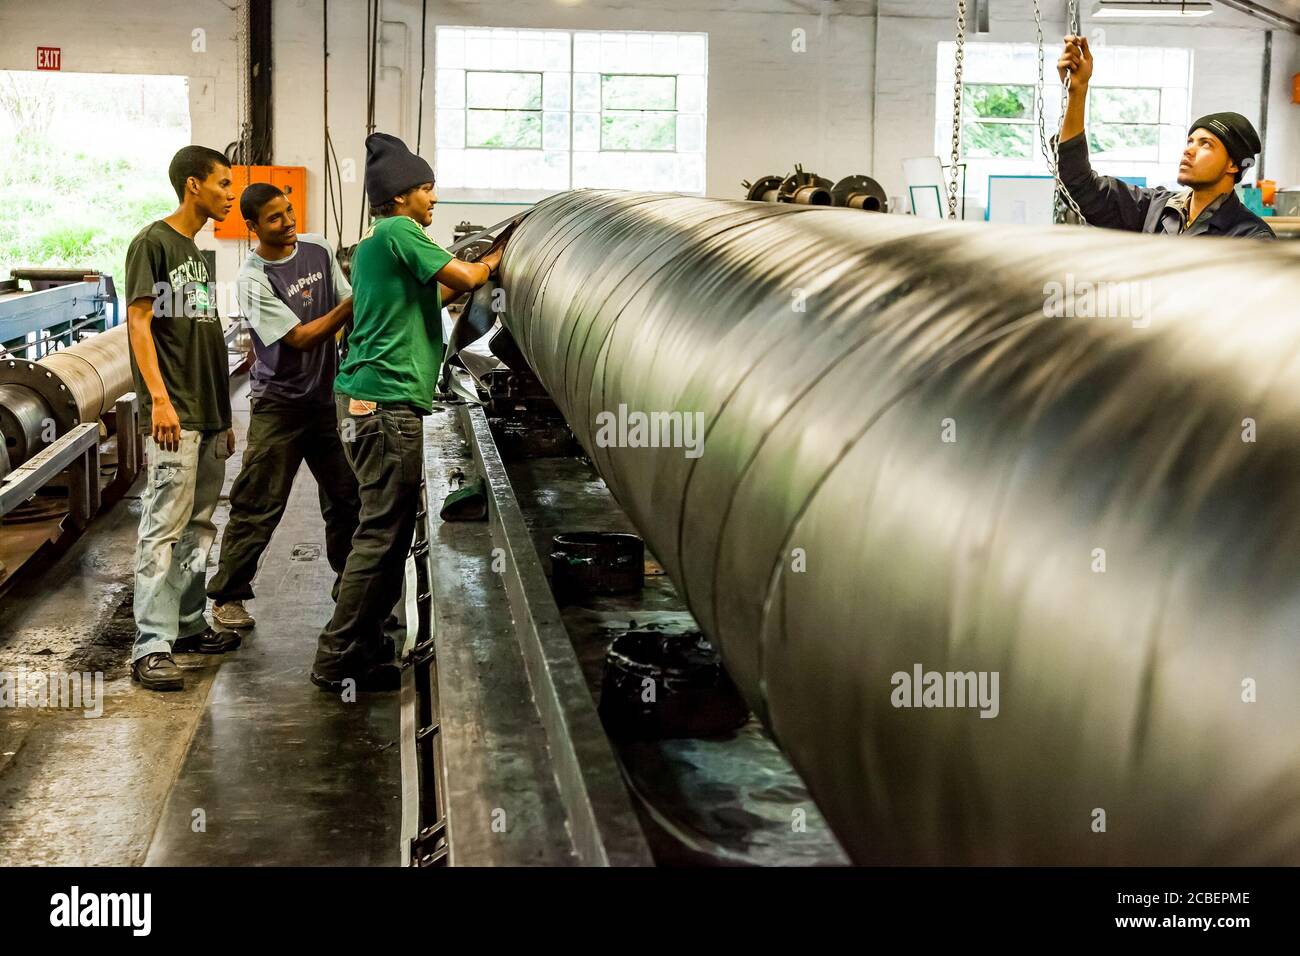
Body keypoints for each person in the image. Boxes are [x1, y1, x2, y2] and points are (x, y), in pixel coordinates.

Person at [310, 132, 502, 693]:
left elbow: (434, 297)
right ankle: (337, 655)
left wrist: (468, 272)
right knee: (380, 532)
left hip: (368, 401)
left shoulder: (374, 245)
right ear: (398, 197)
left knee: (387, 533)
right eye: (425, 188)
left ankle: (364, 650)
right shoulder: (400, 231)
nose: (434, 197)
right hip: (385, 404)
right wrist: (491, 259)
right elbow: (464, 281)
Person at [205, 183, 360, 630]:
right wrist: (354, 303)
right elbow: (300, 337)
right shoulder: (252, 279)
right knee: (258, 502)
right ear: (253, 227)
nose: (289, 223)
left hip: (328, 400)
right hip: (280, 405)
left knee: (347, 498)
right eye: (275, 218)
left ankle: (350, 591)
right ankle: (228, 596)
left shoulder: (317, 248)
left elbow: (344, 296)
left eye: (289, 212)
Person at [125, 145, 241, 692]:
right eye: (223, 184)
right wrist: (160, 400)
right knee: (163, 527)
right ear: (194, 185)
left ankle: (190, 623)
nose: (230, 194)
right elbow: (140, 324)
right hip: (176, 414)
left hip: (209, 411)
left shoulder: (197, 254)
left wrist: (223, 414)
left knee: (198, 525)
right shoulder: (154, 243)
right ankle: (150, 645)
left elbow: (203, 338)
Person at [1056, 34, 1275, 239]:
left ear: (1233, 165)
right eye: (1190, 141)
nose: (1188, 150)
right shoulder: (1154, 208)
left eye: (1206, 144)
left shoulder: (1251, 237)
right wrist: (1078, 92)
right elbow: (1079, 184)